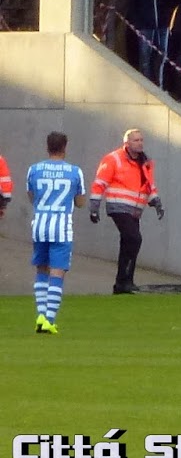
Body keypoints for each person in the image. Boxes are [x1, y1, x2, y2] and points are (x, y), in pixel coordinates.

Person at [88, 129, 163, 295]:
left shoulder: (146, 162)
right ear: (127, 143)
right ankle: (124, 280)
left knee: (128, 243)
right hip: (118, 206)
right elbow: (100, 183)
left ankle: (123, 283)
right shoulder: (113, 159)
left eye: (141, 140)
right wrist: (94, 207)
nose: (140, 143)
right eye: (136, 140)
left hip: (135, 209)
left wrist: (156, 201)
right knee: (134, 239)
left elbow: (150, 185)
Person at [27, 132, 87, 334]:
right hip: (61, 227)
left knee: (41, 269)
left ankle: (40, 315)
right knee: (57, 271)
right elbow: (80, 203)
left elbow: (31, 197)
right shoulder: (74, 171)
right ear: (65, 147)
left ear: (47, 147)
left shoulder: (34, 170)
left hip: (40, 224)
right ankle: (49, 319)